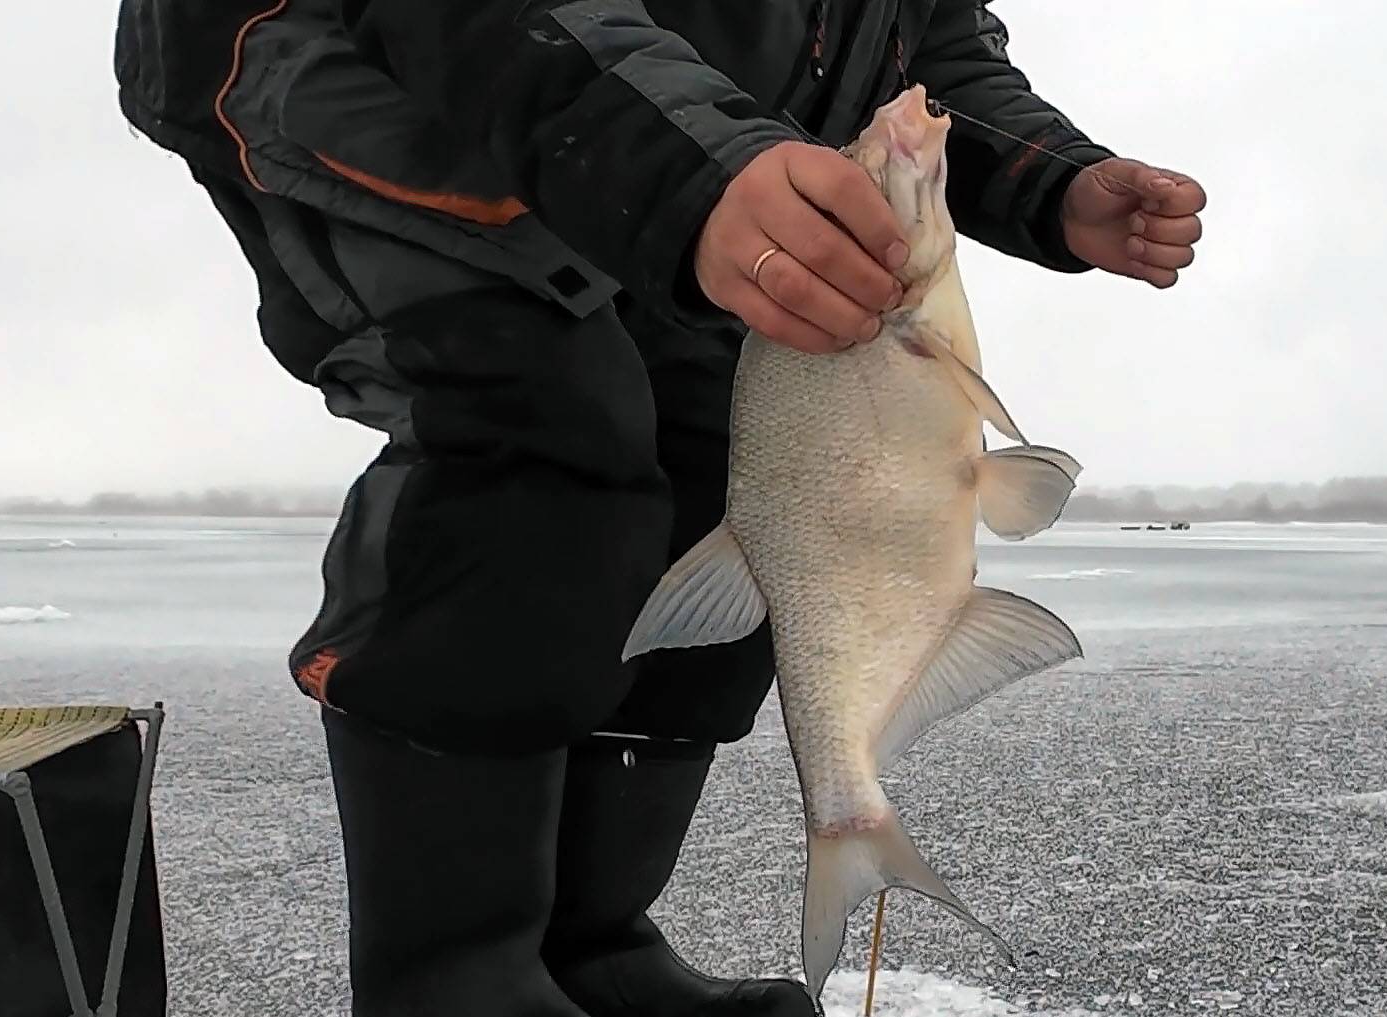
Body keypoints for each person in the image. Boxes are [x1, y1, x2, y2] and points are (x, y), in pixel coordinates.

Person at [111, 2, 1206, 1015]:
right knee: (540, 414)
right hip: (384, 40)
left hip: (668, 115)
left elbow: (926, 50)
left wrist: (1054, 183)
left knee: (713, 433)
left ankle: (593, 943)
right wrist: (701, 178)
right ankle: (455, 971)